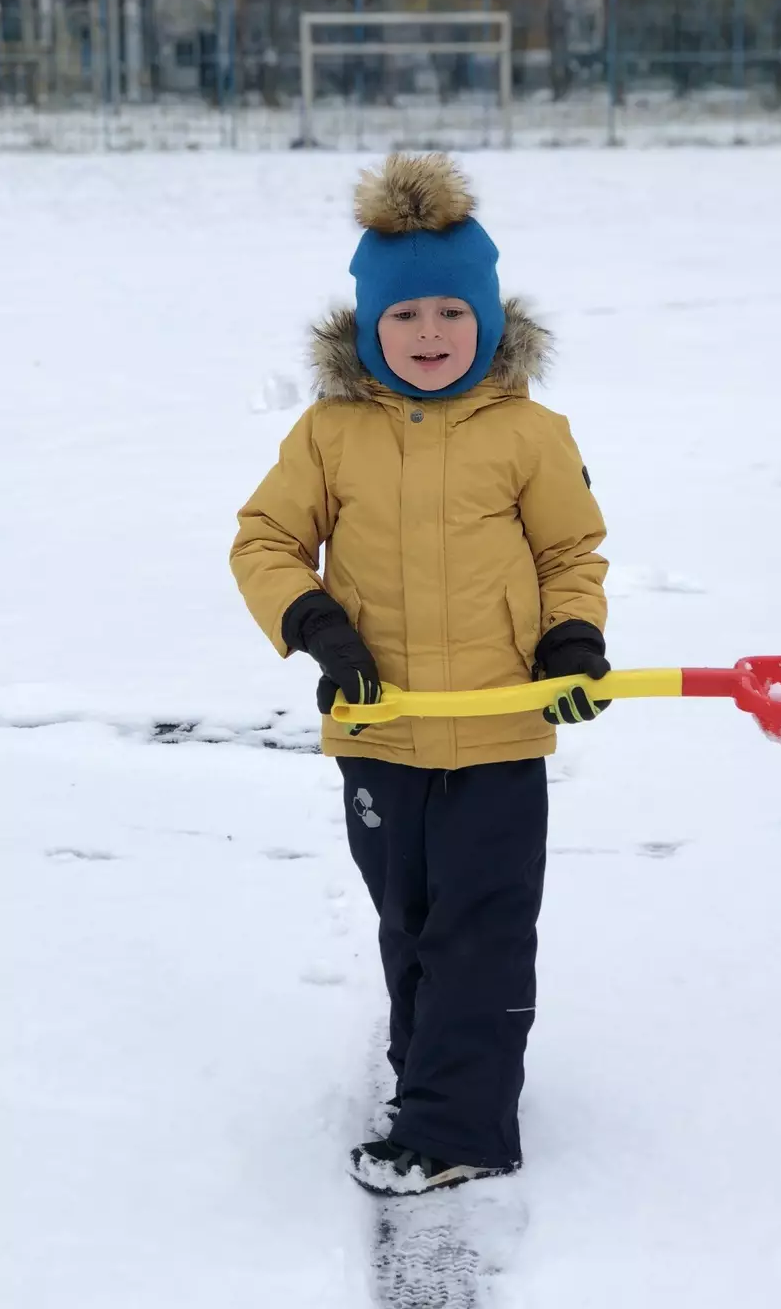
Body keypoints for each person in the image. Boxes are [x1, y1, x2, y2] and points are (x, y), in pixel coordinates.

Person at [229, 152, 610, 1196]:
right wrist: (313, 620)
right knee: (410, 922)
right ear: (367, 328)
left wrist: (571, 642)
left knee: (481, 928)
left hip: (498, 727)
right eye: (406, 317)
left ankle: (462, 1126)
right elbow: (263, 539)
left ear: (488, 319)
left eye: (452, 311)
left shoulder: (531, 435)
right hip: (380, 726)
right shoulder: (330, 434)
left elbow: (570, 557)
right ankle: (431, 1079)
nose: (431, 334)